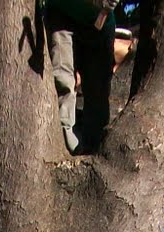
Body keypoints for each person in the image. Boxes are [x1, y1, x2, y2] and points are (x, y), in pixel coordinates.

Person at [44, 0, 118, 153]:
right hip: (62, 14)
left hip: (100, 26)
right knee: (62, 78)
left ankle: (94, 146)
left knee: (98, 92)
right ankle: (65, 132)